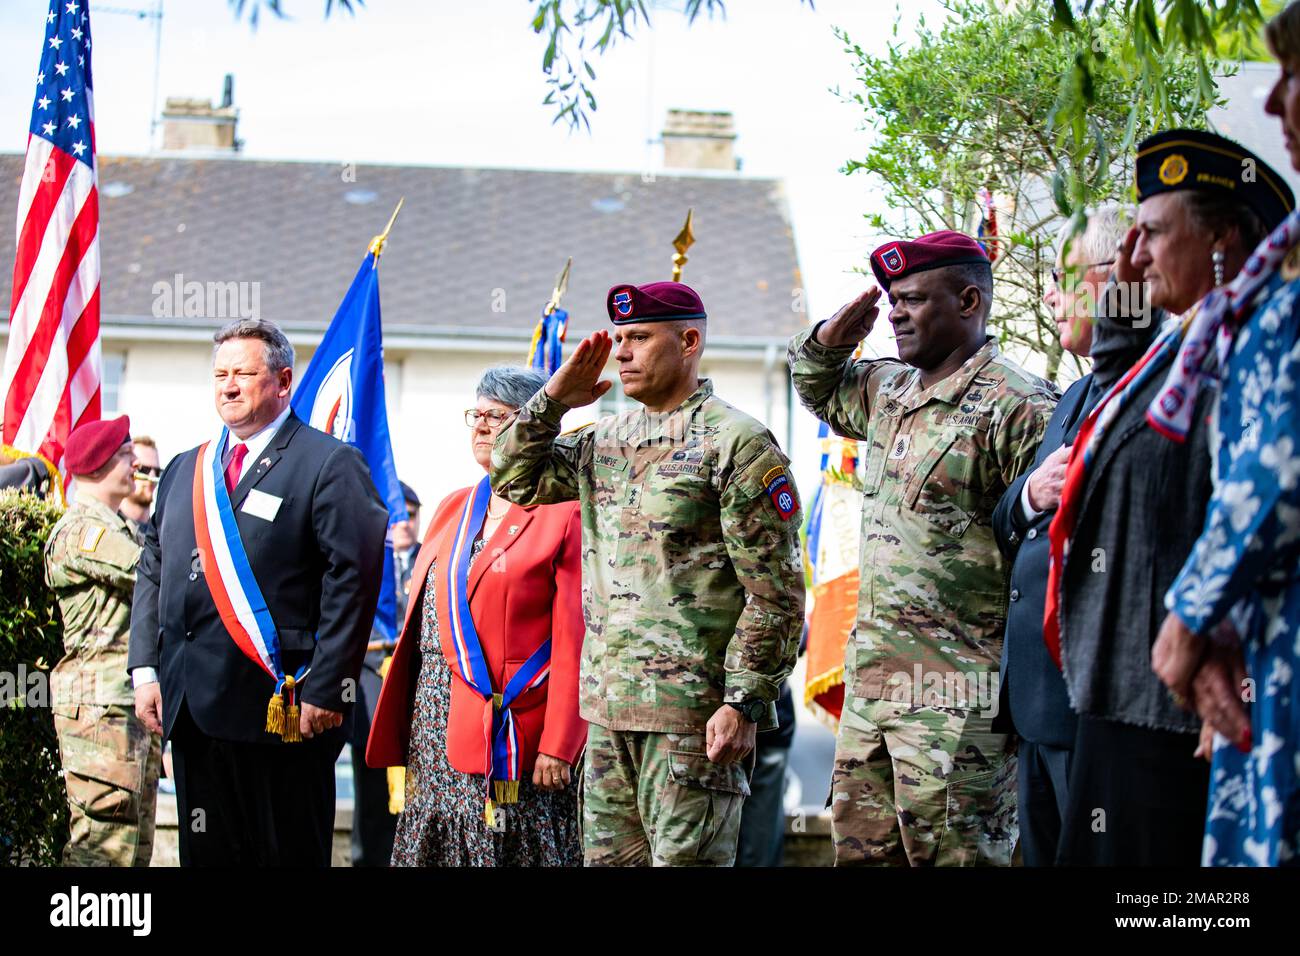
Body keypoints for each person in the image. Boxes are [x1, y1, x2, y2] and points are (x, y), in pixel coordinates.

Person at [492, 281, 805, 867]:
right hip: (609, 713)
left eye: (639, 338)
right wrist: (555, 397)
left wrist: (745, 701)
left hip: (693, 718)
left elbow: (777, 592)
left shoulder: (735, 442)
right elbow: (513, 477)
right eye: (619, 339)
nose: (622, 352)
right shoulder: (605, 439)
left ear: (688, 341)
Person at [1046, 129, 1294, 866]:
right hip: (1120, 691)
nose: (1138, 251)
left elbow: (1258, 495)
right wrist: (1125, 285)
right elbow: (1114, 373)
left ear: (1220, 236)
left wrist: (1199, 625)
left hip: (1174, 705)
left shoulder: (1251, 337)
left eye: (1153, 232)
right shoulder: (1188, 343)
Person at [789, 231, 1058, 866]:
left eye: (911, 299)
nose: (897, 313)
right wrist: (832, 337)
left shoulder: (1018, 406)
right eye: (891, 300)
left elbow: (1048, 554)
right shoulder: (889, 391)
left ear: (969, 301)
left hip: (959, 701)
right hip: (873, 692)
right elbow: (817, 387)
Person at [127, 318, 389, 866]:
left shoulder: (329, 463)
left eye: (243, 373)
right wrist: (146, 669)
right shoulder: (183, 469)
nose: (228, 386)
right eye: (219, 374)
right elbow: (154, 566)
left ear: (283, 381)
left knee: (283, 857)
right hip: (193, 708)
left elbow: (355, 579)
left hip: (283, 705)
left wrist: (326, 685)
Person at [1151, 0, 1300, 868]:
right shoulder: (1254, 304)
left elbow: (1279, 466)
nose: (1277, 105)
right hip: (1258, 654)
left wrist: (1192, 613)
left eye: (1296, 77)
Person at [367, 366, 587, 866]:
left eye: (499, 416)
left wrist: (560, 741)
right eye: (477, 414)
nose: (482, 426)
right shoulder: (454, 506)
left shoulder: (566, 512)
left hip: (513, 730)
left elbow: (575, 635)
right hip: (434, 721)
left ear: (536, 429)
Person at [990, 206, 1128, 866]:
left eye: (1058, 276)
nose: (1046, 292)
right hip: (1036, 706)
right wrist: (1029, 495)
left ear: (1115, 278)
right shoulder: (1074, 397)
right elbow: (1010, 518)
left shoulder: (1149, 388)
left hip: (1099, 708)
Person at [44, 415, 162, 866]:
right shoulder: (85, 531)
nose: (135, 463)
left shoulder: (117, 528)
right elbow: (152, 576)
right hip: (101, 717)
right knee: (103, 849)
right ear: (98, 465)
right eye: (126, 455)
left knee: (130, 849)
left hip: (121, 713)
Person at [350, 479, 423, 867]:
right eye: (398, 516)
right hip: (371, 688)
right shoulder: (366, 564)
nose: (405, 524)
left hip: (414, 691)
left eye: (412, 515)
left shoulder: (432, 559)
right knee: (370, 790)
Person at [118, 435, 160, 544]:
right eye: (143, 470)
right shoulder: (111, 528)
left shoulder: (161, 534)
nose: (151, 477)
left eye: (157, 471)